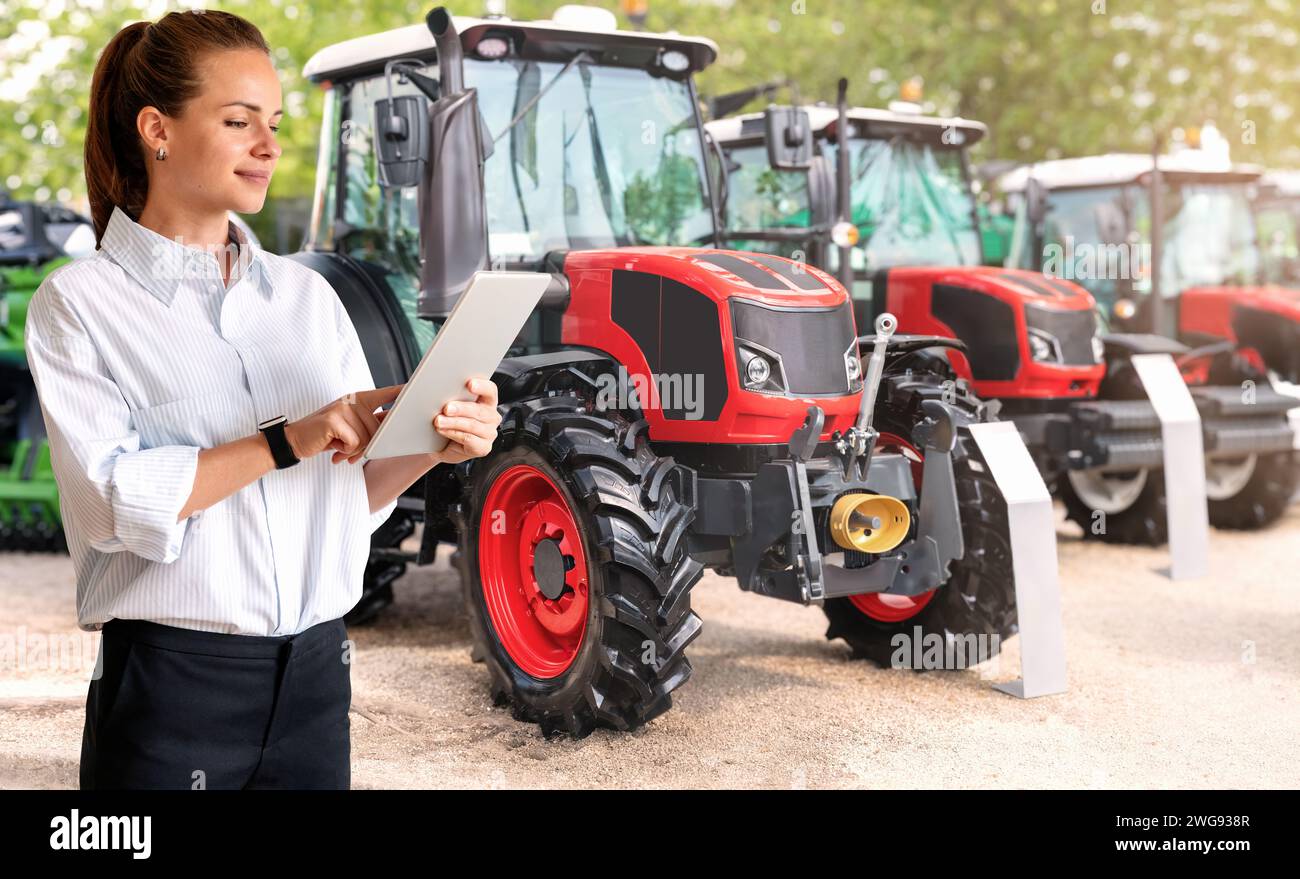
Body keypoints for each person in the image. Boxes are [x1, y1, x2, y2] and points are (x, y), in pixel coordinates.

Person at [24, 9, 502, 789]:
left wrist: (430, 440)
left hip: (317, 678)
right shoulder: (78, 304)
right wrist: (286, 438)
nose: (271, 145)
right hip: (174, 690)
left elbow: (345, 496)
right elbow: (110, 504)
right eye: (239, 120)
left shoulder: (308, 299)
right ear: (158, 129)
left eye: (274, 122)